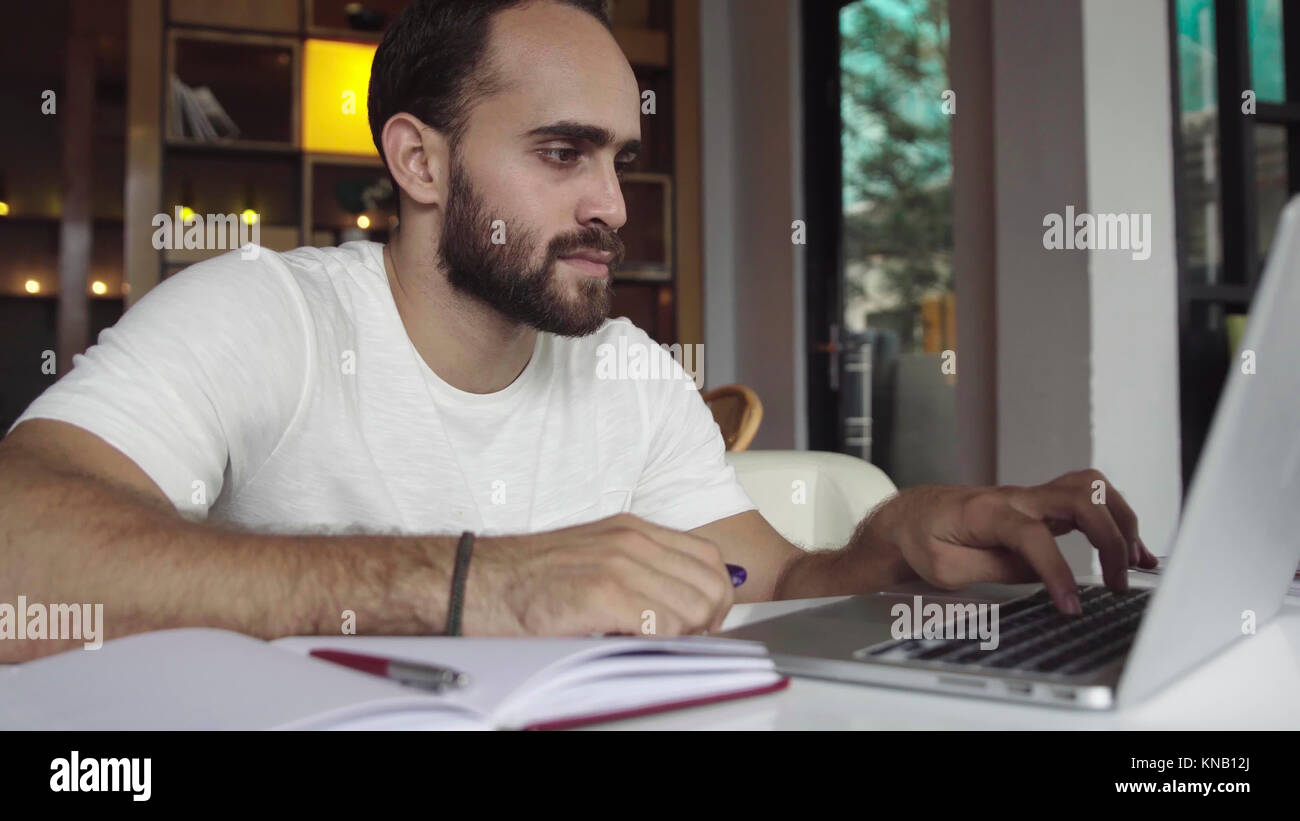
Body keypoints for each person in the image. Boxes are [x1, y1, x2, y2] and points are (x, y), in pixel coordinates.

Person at [0, 0, 1156, 662]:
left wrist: (891, 545)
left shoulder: (626, 371)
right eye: (562, 153)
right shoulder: (267, 314)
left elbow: (763, 574)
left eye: (619, 160)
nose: (610, 203)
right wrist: (470, 584)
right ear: (418, 159)